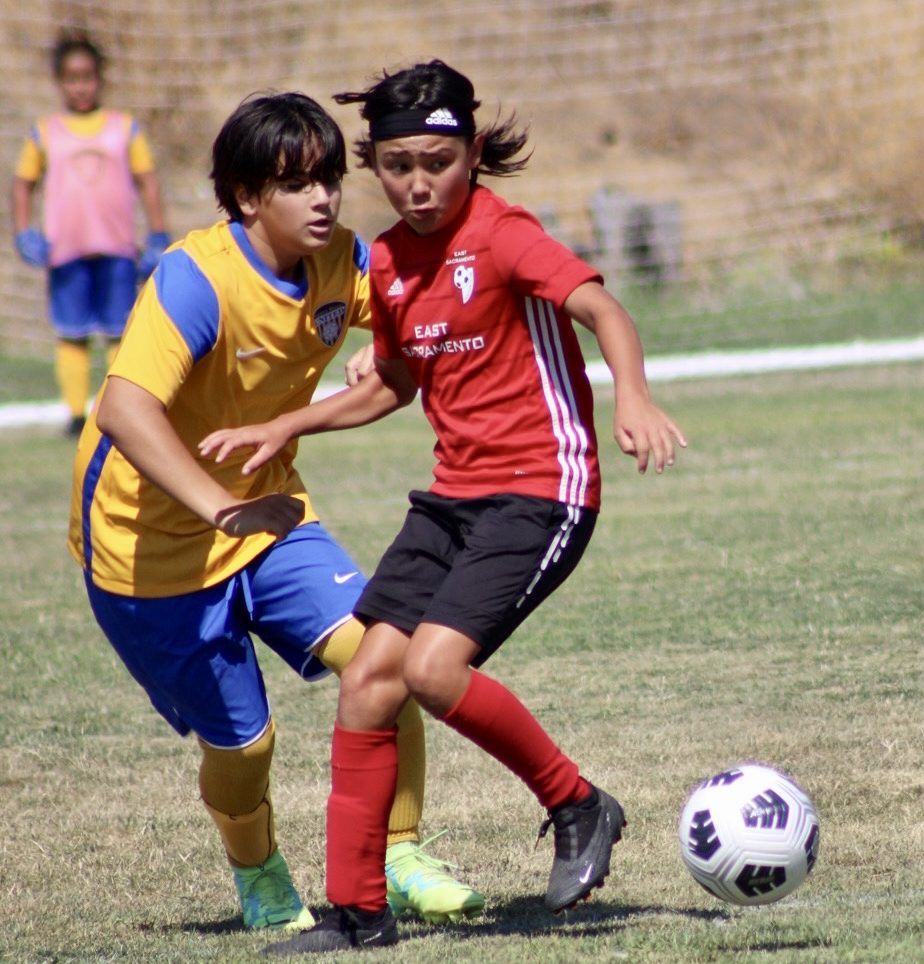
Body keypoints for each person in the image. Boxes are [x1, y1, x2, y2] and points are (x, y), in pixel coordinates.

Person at [200, 60, 687, 954]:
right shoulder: (383, 261)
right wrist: (289, 423)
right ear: (374, 166)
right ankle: (357, 916)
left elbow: (600, 308)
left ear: (472, 154)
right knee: (368, 680)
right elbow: (391, 381)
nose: (417, 183)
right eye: (395, 165)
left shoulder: (504, 236)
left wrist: (634, 396)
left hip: (541, 491)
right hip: (451, 500)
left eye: (437, 160)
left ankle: (579, 805)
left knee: (428, 671)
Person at [67, 90, 483, 934]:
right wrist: (219, 508)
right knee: (244, 746)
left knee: (381, 662)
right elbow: (124, 411)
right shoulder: (196, 279)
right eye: (298, 184)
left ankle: (397, 856)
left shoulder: (342, 262)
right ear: (249, 198)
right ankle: (258, 874)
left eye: (329, 178)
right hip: (145, 549)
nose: (323, 198)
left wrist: (392, 340)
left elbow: (420, 312)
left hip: (268, 520)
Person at [10, 31, 171, 437]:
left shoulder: (124, 129)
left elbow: (148, 182)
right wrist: (24, 231)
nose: (81, 86)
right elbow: (22, 184)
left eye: (88, 76)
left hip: (117, 250)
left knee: (120, 332)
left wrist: (157, 233)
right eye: (72, 78)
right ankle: (76, 415)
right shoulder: (45, 133)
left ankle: (121, 407)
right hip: (66, 252)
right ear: (59, 81)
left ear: (100, 78)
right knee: (72, 333)